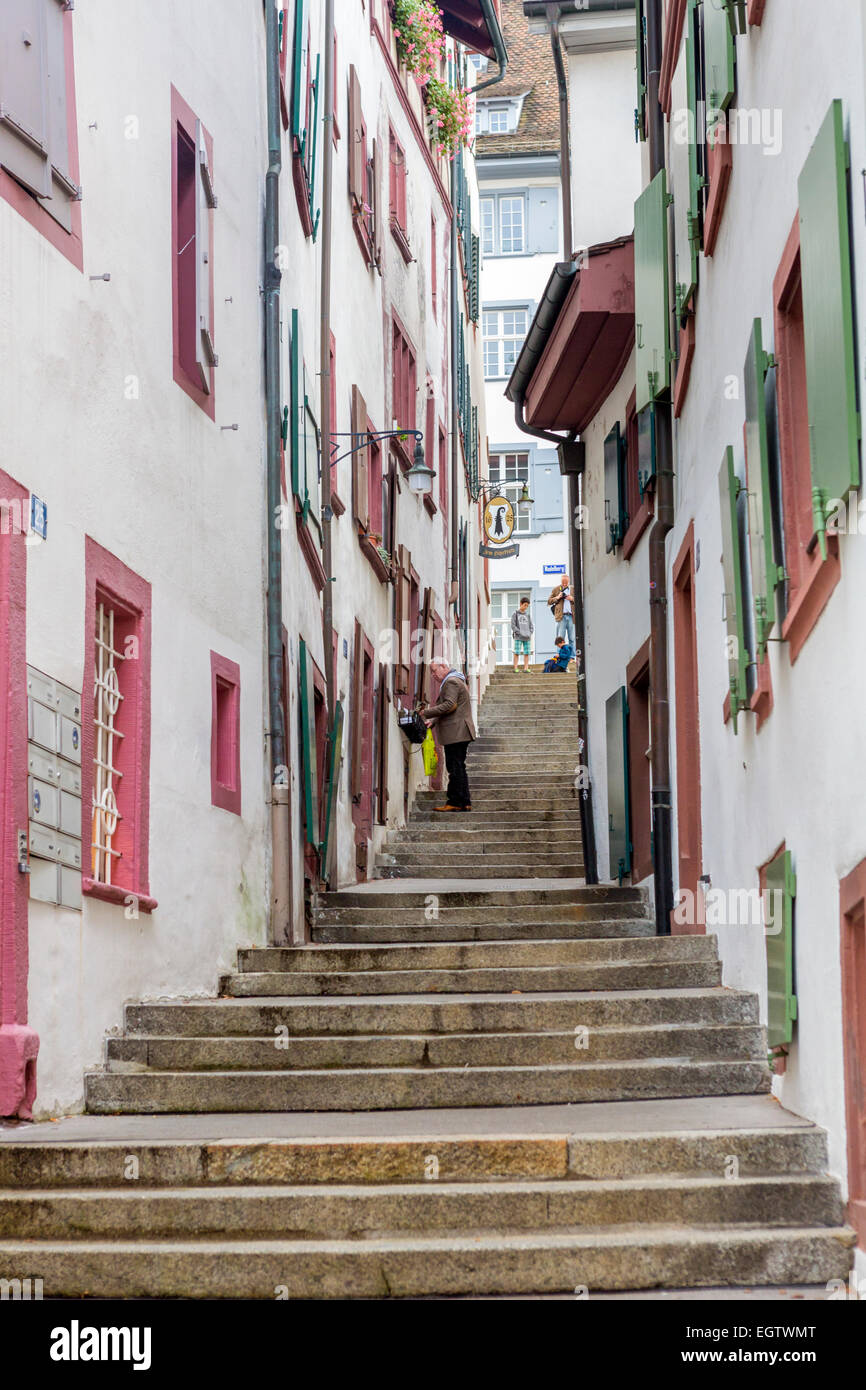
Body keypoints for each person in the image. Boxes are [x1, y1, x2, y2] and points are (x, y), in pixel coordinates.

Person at [420, 659, 477, 812]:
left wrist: (426, 712)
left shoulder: (450, 681)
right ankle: (465, 801)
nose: (433, 675)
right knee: (459, 766)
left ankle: (455, 802)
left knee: (454, 766)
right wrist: (433, 721)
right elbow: (452, 707)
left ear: (443, 666)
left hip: (456, 732)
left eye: (434, 670)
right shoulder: (456, 679)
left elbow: (449, 705)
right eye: (431, 672)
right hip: (460, 731)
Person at [547, 574, 576, 648]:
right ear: (560, 581)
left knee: (572, 639)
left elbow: (580, 601)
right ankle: (560, 656)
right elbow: (549, 602)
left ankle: (572, 657)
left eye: (566, 582)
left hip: (571, 617)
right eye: (563, 582)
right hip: (561, 617)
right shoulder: (556, 589)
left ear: (569, 581)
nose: (564, 584)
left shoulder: (573, 589)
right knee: (560, 638)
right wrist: (557, 597)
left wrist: (572, 599)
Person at [510, 597, 533, 672]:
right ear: (521, 604)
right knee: (517, 652)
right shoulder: (515, 614)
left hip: (527, 637)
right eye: (525, 605)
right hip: (518, 637)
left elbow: (531, 626)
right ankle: (515, 668)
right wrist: (519, 632)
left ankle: (526, 668)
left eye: (527, 606)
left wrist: (529, 633)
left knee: (527, 653)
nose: (526, 607)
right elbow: (513, 626)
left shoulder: (528, 615)